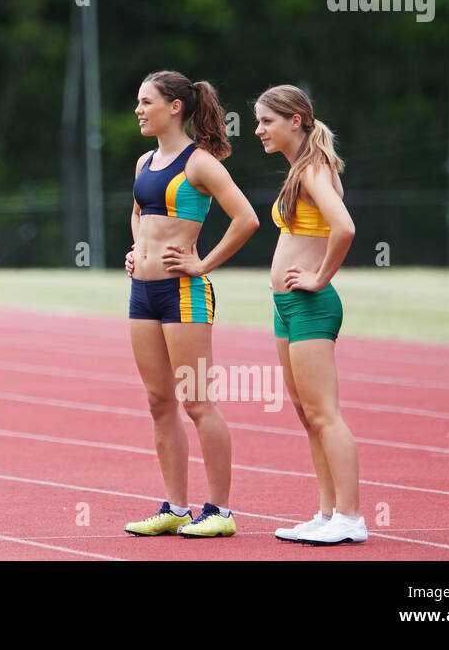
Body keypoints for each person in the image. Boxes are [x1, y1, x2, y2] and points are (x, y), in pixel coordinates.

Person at [121, 70, 259, 538]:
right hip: (143, 293)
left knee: (198, 403)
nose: (138, 110)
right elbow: (139, 215)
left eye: (146, 102)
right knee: (159, 402)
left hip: (184, 294)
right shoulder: (144, 162)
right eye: (138, 103)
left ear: (174, 107)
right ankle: (176, 509)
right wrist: (136, 249)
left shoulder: (199, 163)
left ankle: (219, 511)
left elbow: (246, 218)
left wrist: (205, 264)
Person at [255, 84, 366, 545]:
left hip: (310, 304)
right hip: (286, 305)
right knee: (306, 413)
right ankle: (327, 513)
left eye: (266, 121)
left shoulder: (314, 170)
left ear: (294, 121)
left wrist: (320, 277)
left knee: (324, 414)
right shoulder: (300, 168)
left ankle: (351, 518)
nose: (258, 129)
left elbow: (345, 227)